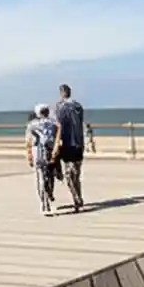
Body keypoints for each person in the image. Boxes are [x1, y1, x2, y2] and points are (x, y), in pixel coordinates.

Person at [53, 83, 85, 212]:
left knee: (69, 175)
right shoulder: (78, 106)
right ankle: (78, 197)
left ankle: (77, 199)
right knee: (76, 174)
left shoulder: (60, 107)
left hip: (67, 144)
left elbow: (58, 125)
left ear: (62, 93)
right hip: (78, 143)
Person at [26, 104, 59, 215]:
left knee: (40, 178)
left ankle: (44, 203)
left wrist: (29, 156)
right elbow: (56, 139)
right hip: (49, 153)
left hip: (37, 154)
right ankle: (48, 196)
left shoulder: (31, 125)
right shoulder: (53, 124)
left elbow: (28, 142)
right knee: (49, 176)